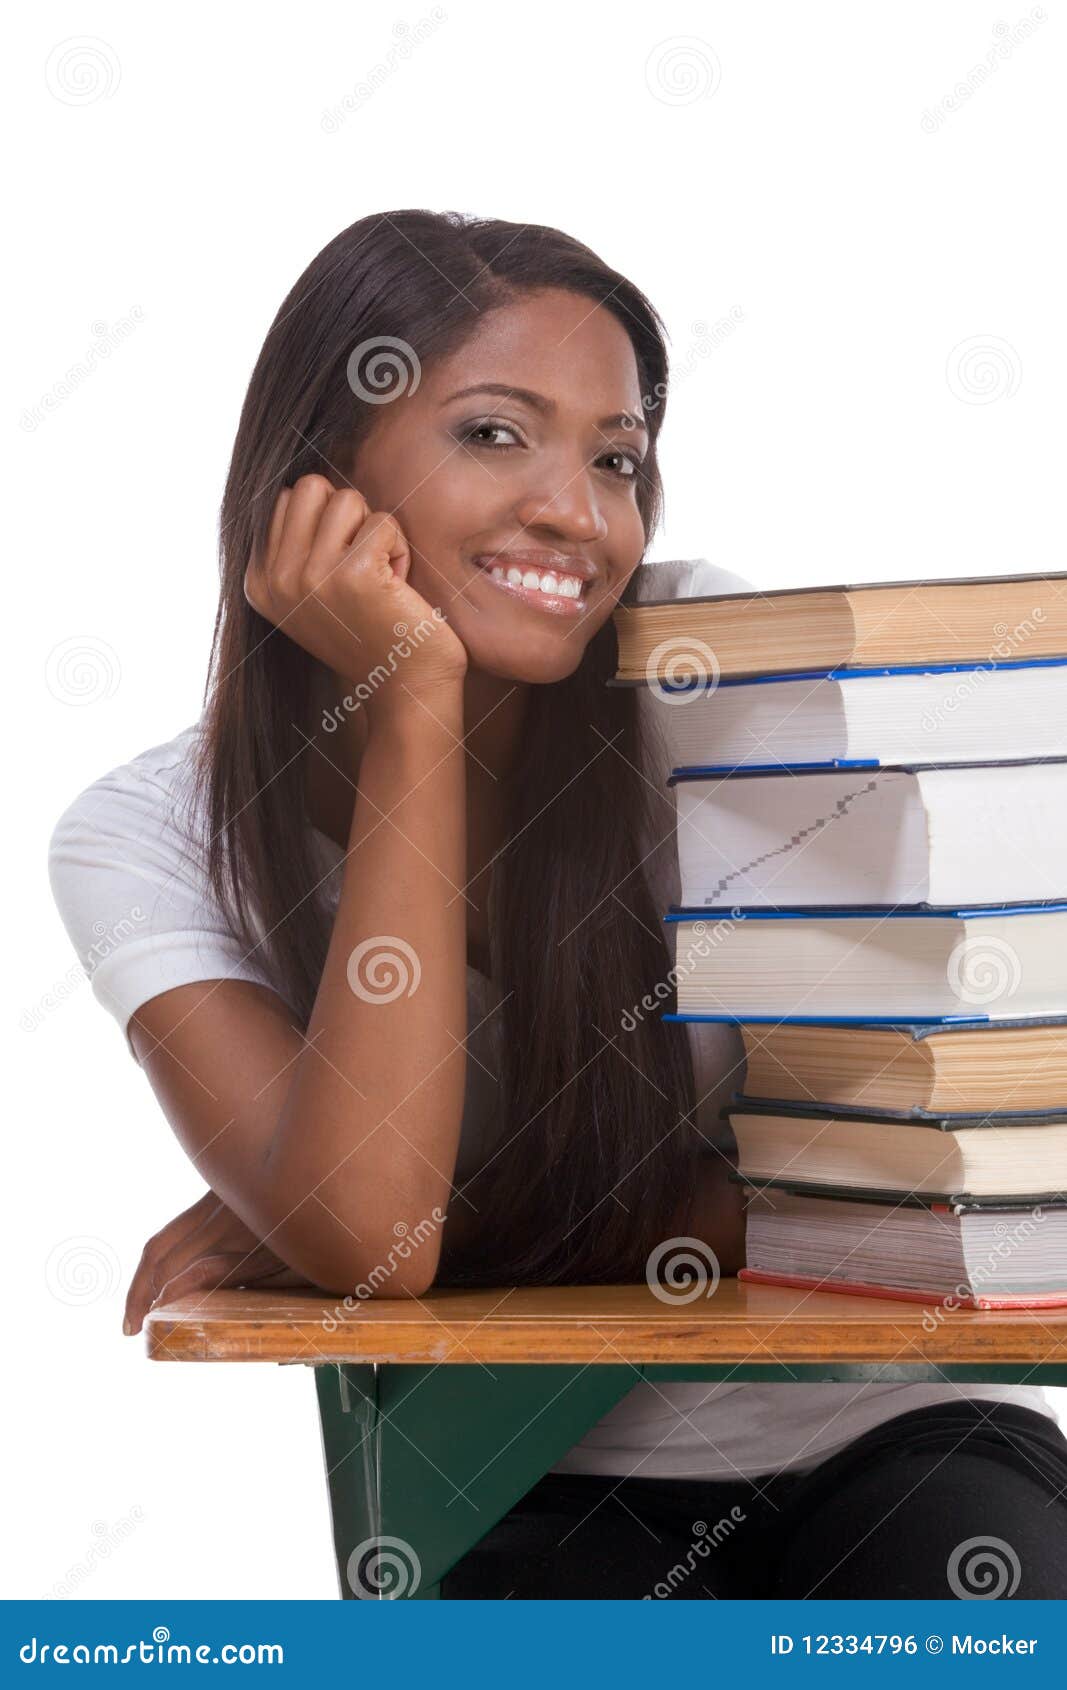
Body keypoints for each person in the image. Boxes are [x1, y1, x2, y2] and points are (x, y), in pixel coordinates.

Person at [48, 209, 1067, 1599]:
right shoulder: (147, 833)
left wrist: (425, 1216)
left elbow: (900, 1199)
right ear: (315, 486)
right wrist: (412, 705)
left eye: (616, 458)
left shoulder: (726, 687)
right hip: (513, 1475)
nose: (577, 512)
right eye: (492, 432)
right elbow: (374, 1242)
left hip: (887, 1427)